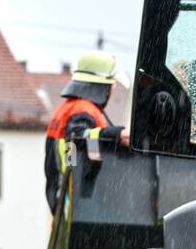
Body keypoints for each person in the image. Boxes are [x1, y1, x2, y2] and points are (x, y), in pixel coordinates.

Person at [43, 52, 130, 215]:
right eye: (112, 85)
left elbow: (71, 151)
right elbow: (77, 138)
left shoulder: (69, 108)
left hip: (64, 196)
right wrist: (116, 135)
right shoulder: (83, 110)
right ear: (102, 86)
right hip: (72, 197)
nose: (113, 89)